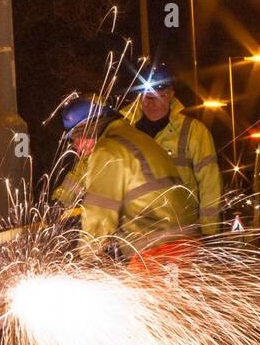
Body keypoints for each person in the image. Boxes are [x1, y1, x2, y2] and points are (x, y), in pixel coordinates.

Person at [52, 98, 198, 268]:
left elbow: (99, 214)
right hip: (185, 241)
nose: (78, 149)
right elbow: (82, 176)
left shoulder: (107, 151)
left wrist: (88, 260)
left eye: (77, 140)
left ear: (89, 129)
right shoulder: (134, 137)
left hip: (157, 249)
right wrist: (60, 204)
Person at [124, 62, 222, 236]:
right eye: (146, 97)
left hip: (179, 232)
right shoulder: (123, 130)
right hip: (134, 235)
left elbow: (210, 185)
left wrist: (209, 232)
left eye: (157, 97)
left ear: (170, 95)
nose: (150, 104)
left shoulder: (194, 131)